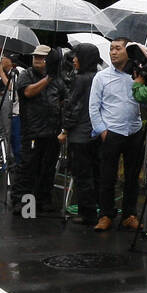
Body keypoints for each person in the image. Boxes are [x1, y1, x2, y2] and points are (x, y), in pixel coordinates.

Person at [90, 37, 146, 232]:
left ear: (127, 51)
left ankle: (129, 214)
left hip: (134, 131)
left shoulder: (139, 75)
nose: (113, 52)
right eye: (111, 48)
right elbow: (93, 107)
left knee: (132, 177)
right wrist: (102, 131)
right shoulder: (101, 77)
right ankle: (105, 214)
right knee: (107, 176)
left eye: (118, 48)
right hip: (111, 132)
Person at [13, 44, 66, 215]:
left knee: (48, 167)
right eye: (36, 56)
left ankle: (44, 200)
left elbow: (65, 99)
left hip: (52, 131)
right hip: (32, 130)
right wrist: (48, 78)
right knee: (28, 167)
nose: (37, 59)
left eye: (42, 57)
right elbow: (28, 93)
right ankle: (23, 203)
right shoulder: (26, 75)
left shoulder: (59, 78)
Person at [61, 43, 102, 225]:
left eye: (77, 57)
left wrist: (65, 129)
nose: (74, 60)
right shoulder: (99, 77)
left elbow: (73, 107)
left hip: (80, 133)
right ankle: (97, 210)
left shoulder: (81, 79)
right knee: (95, 173)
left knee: (81, 175)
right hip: (96, 133)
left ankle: (87, 214)